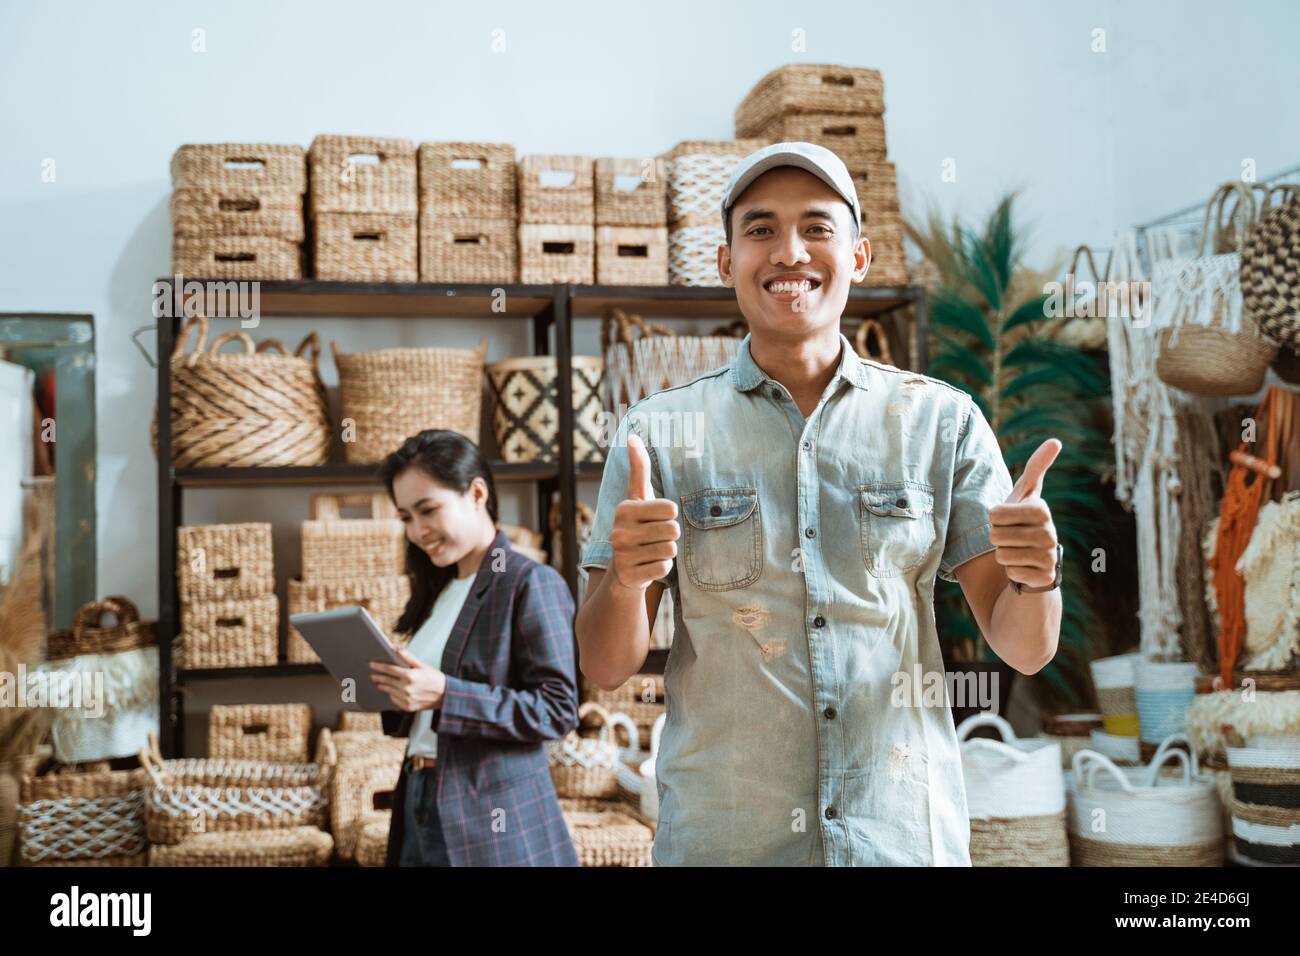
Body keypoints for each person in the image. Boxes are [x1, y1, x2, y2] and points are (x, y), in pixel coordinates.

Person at [575, 142, 1064, 866]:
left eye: (817, 227)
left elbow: (1025, 646)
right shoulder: (659, 435)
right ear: (725, 262)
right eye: (761, 229)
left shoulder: (940, 422)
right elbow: (603, 666)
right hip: (728, 841)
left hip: (898, 837)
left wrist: (1037, 576)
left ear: (859, 257)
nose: (789, 251)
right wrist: (627, 578)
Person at [371, 429, 580, 866]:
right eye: (406, 517)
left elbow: (558, 710)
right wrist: (394, 686)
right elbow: (426, 711)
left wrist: (446, 694)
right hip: (417, 795)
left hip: (488, 816)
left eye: (428, 510)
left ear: (477, 493)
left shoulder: (529, 583)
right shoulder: (439, 589)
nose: (417, 530)